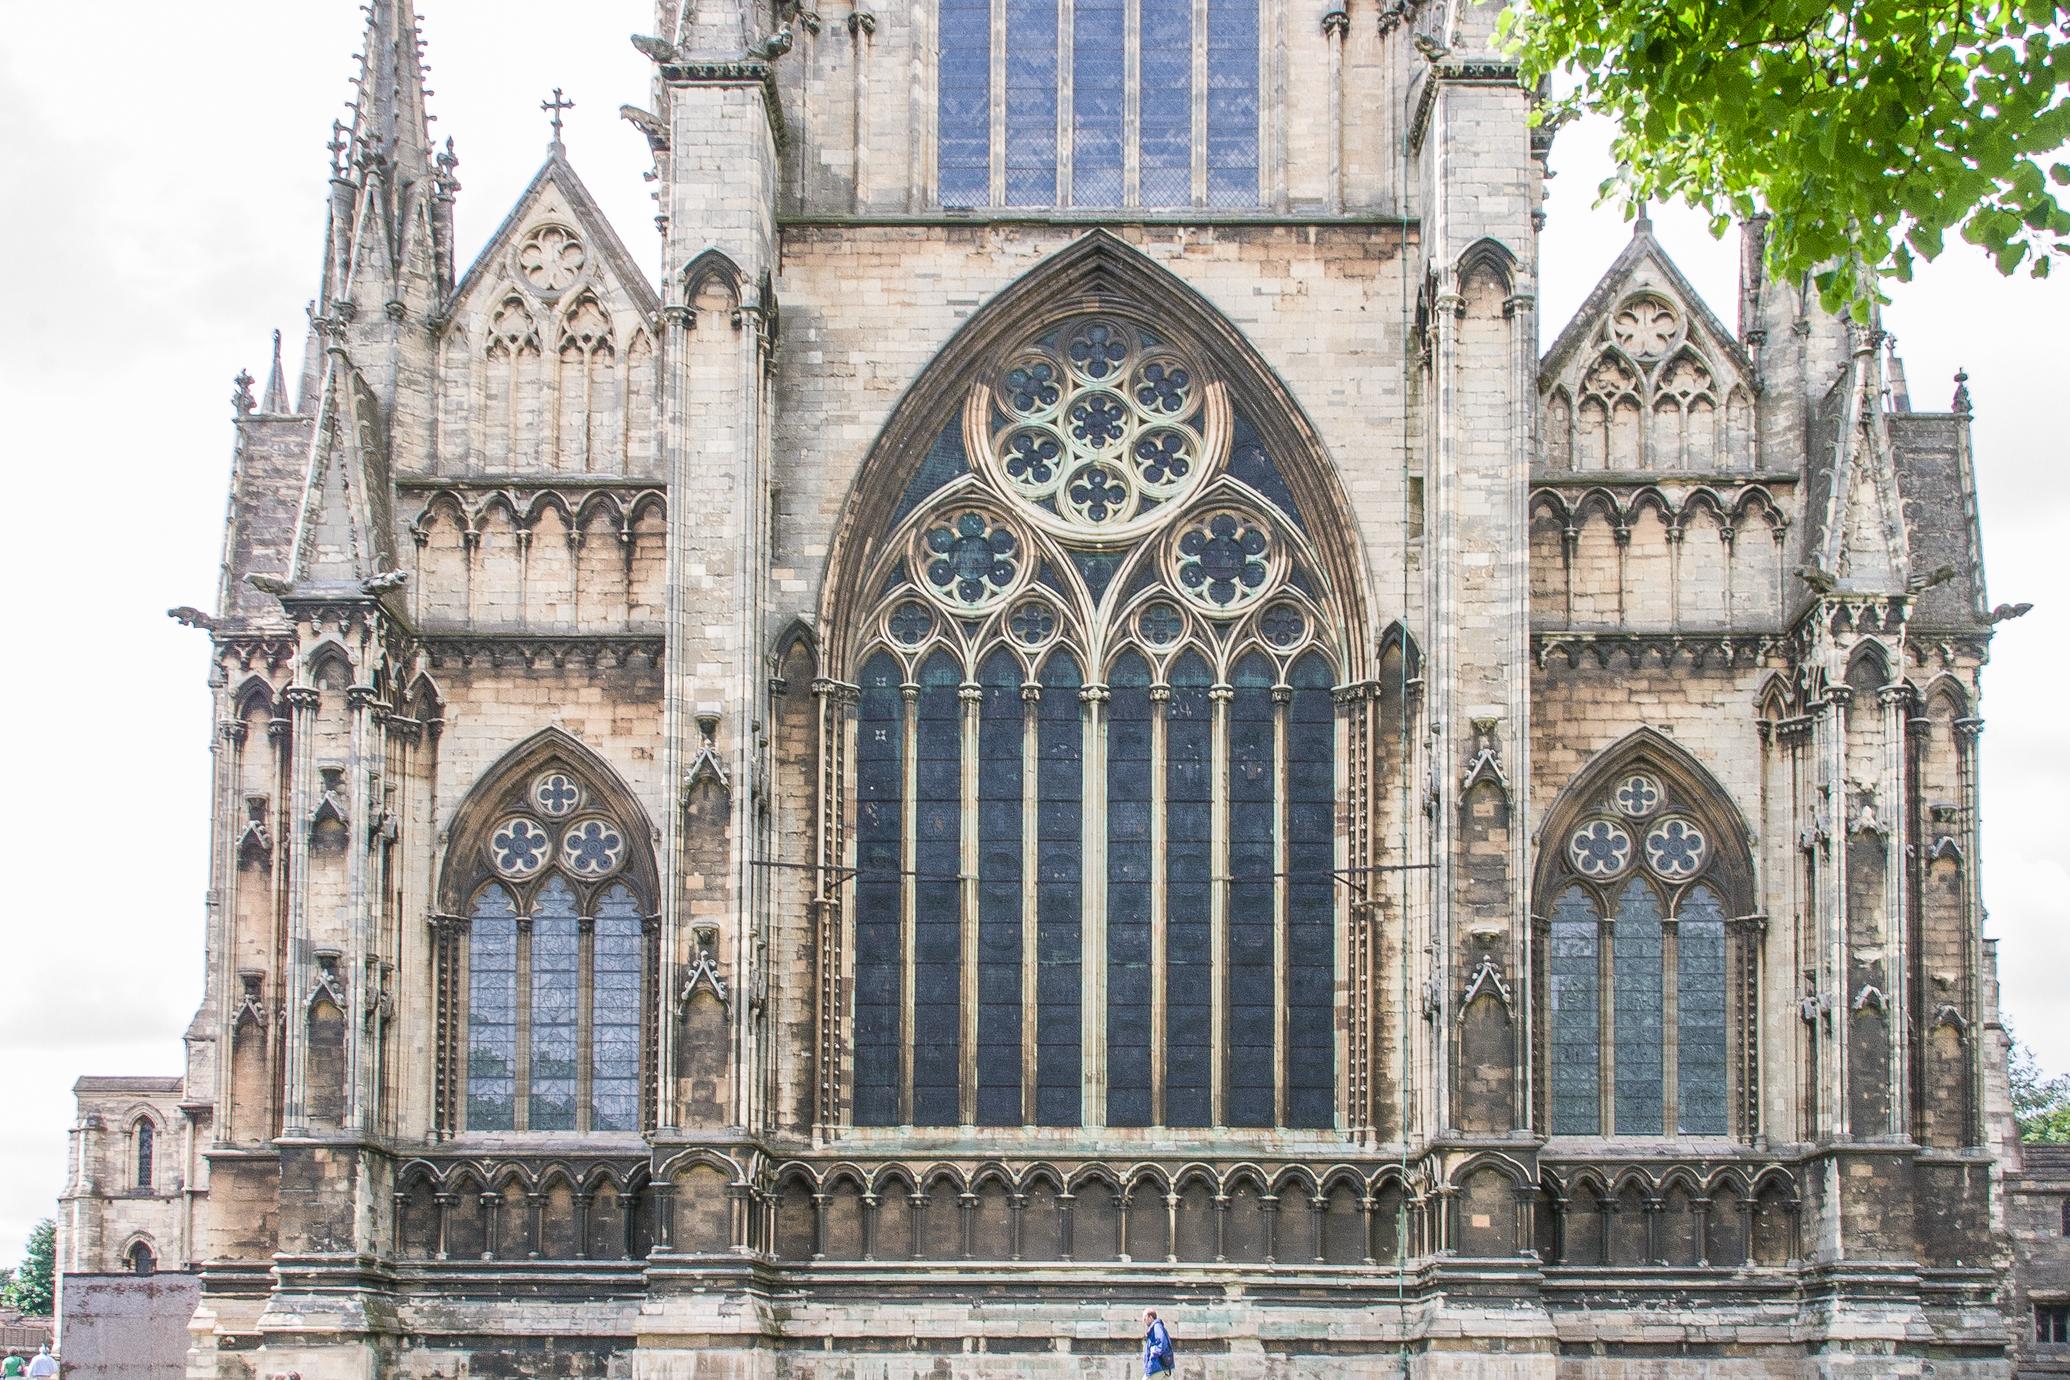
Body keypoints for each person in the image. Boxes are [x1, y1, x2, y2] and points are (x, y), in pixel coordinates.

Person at [1141, 1308, 1174, 1377]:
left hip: (1157, 1367)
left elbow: (1161, 1343)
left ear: (1150, 1317)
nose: (1144, 1321)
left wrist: (1153, 1355)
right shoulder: (1156, 1328)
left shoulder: (1157, 1327)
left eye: (1145, 1318)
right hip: (1164, 1367)